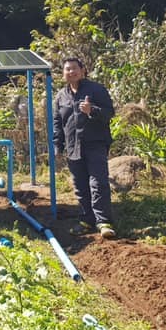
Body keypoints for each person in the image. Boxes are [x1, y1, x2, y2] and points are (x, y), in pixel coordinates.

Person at [53, 57, 117, 239]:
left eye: (74, 68)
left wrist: (92, 111)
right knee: (80, 185)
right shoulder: (61, 96)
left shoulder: (96, 90)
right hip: (73, 147)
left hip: (95, 143)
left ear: (82, 70)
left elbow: (109, 113)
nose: (71, 72)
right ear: (63, 73)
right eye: (67, 69)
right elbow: (58, 123)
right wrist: (58, 145)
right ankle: (87, 220)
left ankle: (103, 222)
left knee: (98, 183)